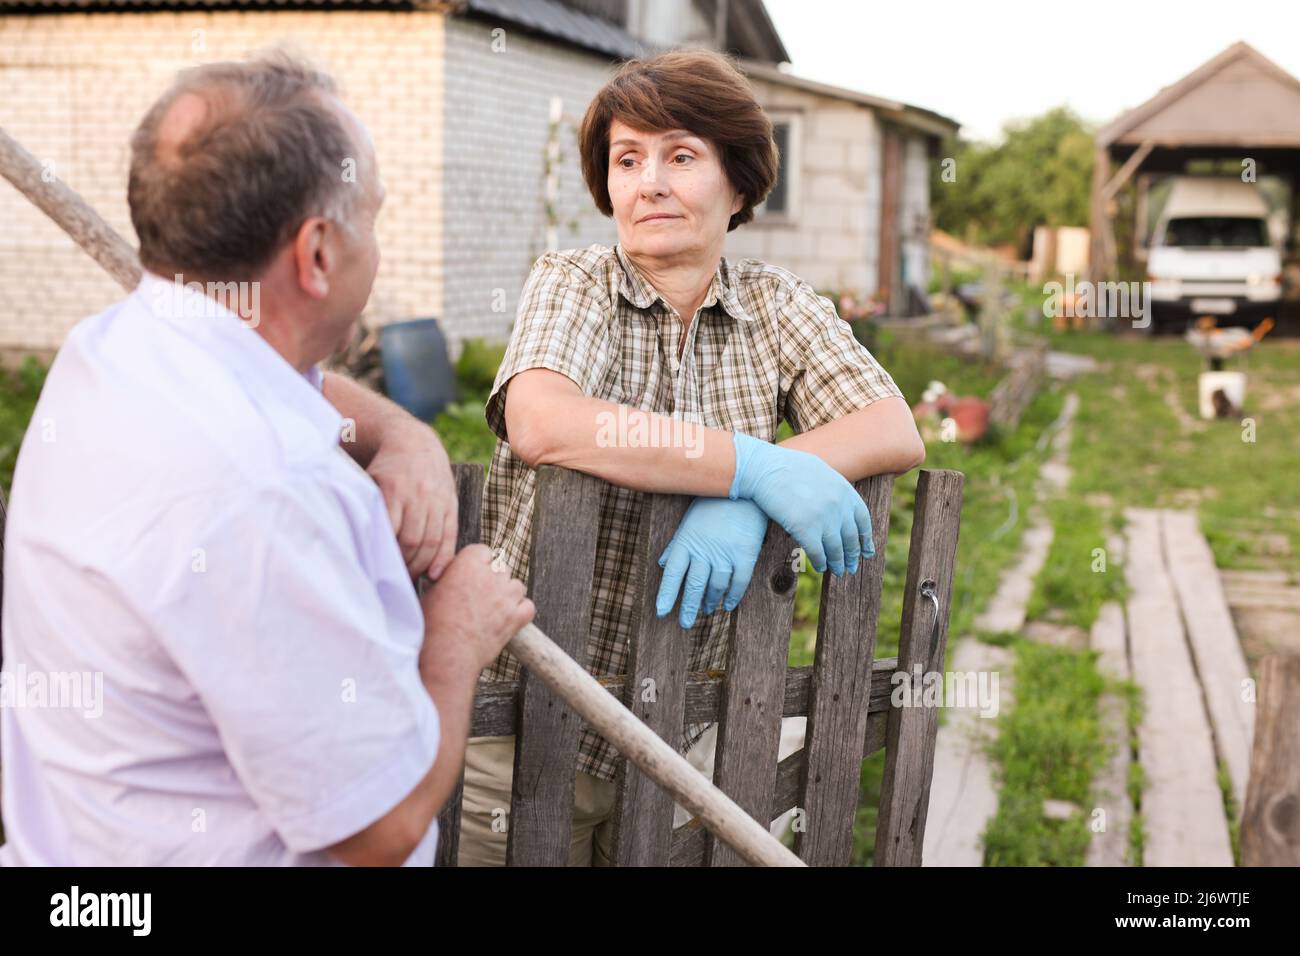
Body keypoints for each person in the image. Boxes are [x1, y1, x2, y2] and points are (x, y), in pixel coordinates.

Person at [0, 50, 533, 867]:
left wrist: (403, 432)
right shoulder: (264, 497)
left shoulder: (110, 352)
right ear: (317, 253)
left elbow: (277, 377)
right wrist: (457, 634)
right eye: (375, 218)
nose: (378, 248)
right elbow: (377, 827)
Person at [459, 49, 926, 866]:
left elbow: (890, 424)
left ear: (738, 184)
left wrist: (741, 498)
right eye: (627, 160)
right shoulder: (574, 283)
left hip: (685, 727)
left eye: (681, 157)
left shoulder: (774, 305)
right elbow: (543, 421)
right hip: (518, 725)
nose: (649, 184)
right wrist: (753, 467)